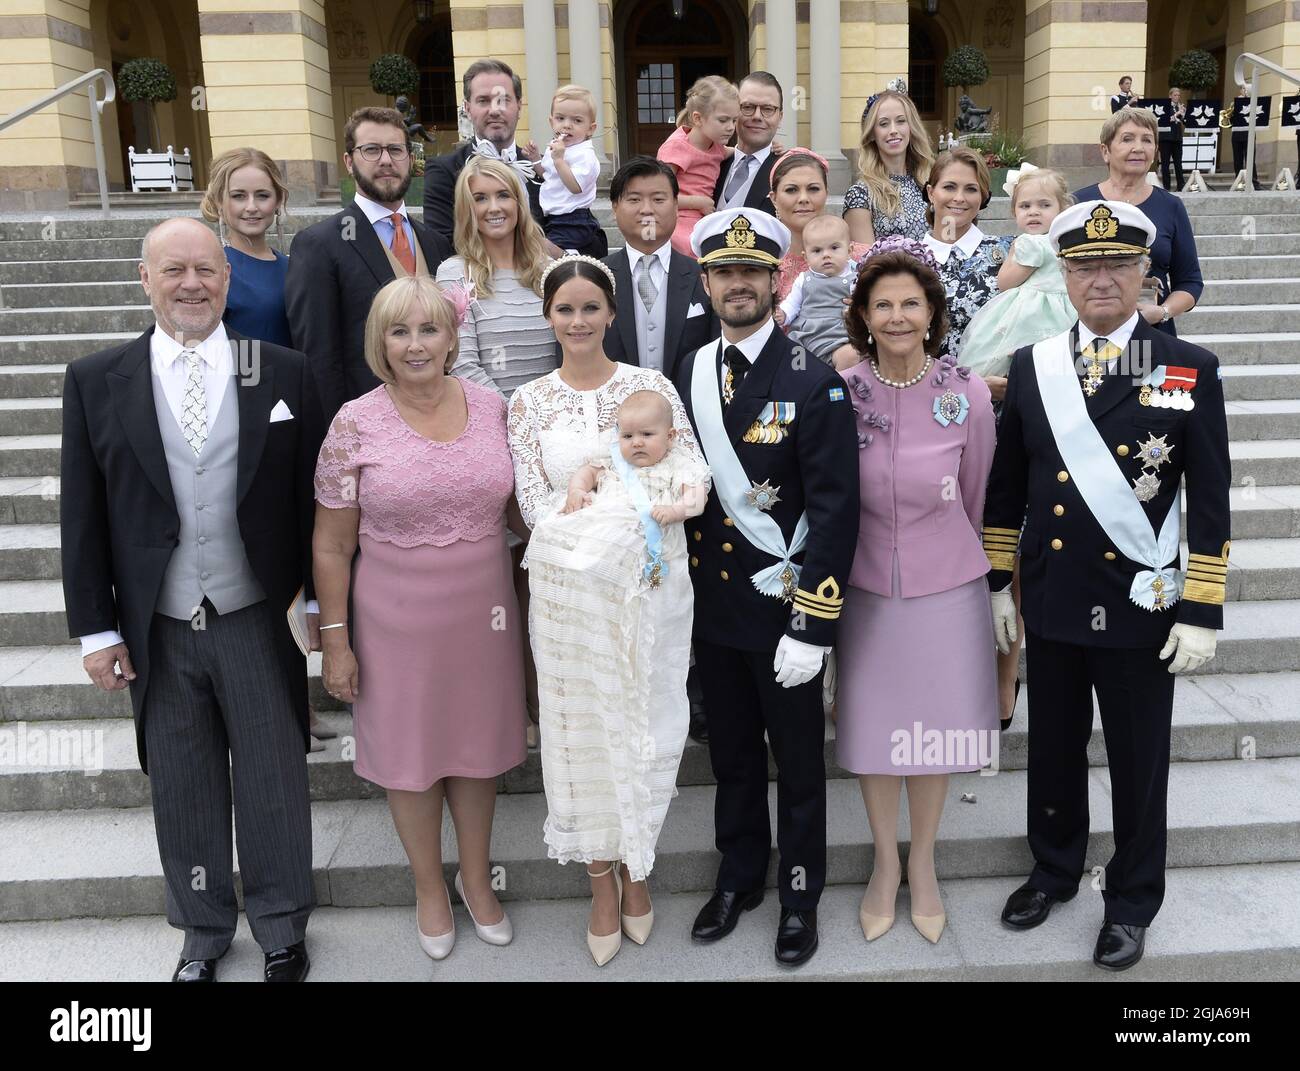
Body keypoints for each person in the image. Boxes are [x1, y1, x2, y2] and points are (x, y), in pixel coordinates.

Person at [61, 218, 324, 983]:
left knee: (274, 776)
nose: (191, 284)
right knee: (181, 780)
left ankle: (281, 926)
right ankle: (203, 931)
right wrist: (94, 631)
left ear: (228, 278)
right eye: (172, 269)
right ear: (145, 279)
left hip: (254, 612)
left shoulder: (279, 370)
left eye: (206, 269)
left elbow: (308, 501)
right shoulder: (94, 379)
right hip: (159, 623)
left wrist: (312, 604)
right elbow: (82, 517)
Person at [983, 200, 1231, 971]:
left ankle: (1130, 899)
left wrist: (1203, 606)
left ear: (1143, 273)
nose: (1100, 278)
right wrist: (997, 581)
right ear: (1065, 272)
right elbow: (1006, 488)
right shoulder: (1033, 366)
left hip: (1139, 605)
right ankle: (1054, 869)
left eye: (1116, 264)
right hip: (1055, 598)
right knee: (1053, 749)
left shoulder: (1187, 365)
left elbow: (1212, 496)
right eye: (1085, 265)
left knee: (1137, 760)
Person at [312, 275, 526, 962]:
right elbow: (331, 542)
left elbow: (525, 512)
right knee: (410, 756)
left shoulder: (494, 407)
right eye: (399, 331)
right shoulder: (355, 422)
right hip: (392, 621)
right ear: (379, 342)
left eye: (428, 329)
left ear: (451, 335)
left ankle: (476, 875)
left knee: (476, 749)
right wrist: (335, 641)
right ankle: (429, 885)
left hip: (484, 613)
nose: (415, 344)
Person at [507, 256, 708, 965]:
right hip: (567, 597)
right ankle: (599, 882)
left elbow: (690, 473)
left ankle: (640, 869)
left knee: (648, 720)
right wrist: (597, 532)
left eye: (592, 307)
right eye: (566, 309)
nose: (579, 320)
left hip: (650, 590)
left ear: (612, 313)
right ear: (548, 317)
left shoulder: (650, 387)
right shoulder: (528, 402)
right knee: (580, 731)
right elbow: (534, 506)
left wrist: (643, 521)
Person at [677, 210, 859, 968]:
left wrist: (812, 625)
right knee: (734, 759)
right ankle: (740, 873)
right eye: (724, 272)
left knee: (798, 760)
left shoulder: (812, 381)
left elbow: (836, 511)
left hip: (784, 610)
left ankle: (798, 890)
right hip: (714, 611)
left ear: (776, 278)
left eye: (752, 272)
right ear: (708, 281)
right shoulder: (685, 369)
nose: (738, 283)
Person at [834, 236, 998, 945]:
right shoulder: (842, 391)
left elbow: (977, 494)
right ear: (864, 316)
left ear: (933, 312)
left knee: (933, 734)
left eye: (911, 302)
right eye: (883, 304)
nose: (898, 316)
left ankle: (924, 863)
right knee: (874, 730)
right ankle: (883, 864)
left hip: (945, 588)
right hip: (866, 588)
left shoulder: (966, 393)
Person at [285, 106, 451, 422]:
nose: (386, 161)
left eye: (395, 150)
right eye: (371, 150)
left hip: (439, 418)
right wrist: (343, 435)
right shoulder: (319, 244)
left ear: (410, 159)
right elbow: (319, 357)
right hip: (368, 426)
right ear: (349, 161)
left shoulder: (436, 243)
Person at [1073, 107, 1203, 337]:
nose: (1138, 148)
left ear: (1155, 151)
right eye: (1127, 139)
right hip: (1088, 333)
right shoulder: (1078, 204)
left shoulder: (1171, 206)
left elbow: (1190, 283)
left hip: (1153, 334)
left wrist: (1162, 311)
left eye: (1147, 140)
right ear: (1106, 151)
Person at [434, 156, 556, 400]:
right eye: (480, 198)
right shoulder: (455, 274)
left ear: (518, 202)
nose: (494, 207)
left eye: (503, 195)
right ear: (466, 209)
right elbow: (462, 365)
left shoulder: (550, 270)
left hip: (556, 422)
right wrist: (518, 418)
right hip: (492, 423)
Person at [603, 156, 718, 381]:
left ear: (676, 206)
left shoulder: (704, 275)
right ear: (615, 207)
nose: (647, 210)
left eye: (658, 199)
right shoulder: (595, 277)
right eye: (634, 199)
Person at [423, 58, 548, 246]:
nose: (495, 111)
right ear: (467, 108)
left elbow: (584, 235)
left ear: (519, 106)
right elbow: (440, 244)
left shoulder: (546, 169)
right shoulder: (443, 171)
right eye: (483, 101)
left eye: (504, 100)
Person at [922, 147, 1012, 367]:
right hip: (921, 388)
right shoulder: (906, 257)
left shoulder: (1010, 252)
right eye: (949, 187)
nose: (959, 198)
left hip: (994, 390)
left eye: (971, 189)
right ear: (932, 193)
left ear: (983, 197)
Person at [201, 147, 293, 348]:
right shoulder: (210, 271)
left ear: (278, 201)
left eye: (262, 195)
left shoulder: (294, 267)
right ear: (219, 202)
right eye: (238, 196)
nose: (251, 207)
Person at [769, 148, 871, 301]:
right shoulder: (766, 265)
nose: (803, 198)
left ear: (826, 193)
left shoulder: (864, 259)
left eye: (813, 189)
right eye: (791, 190)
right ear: (774, 198)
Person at [657, 75, 739, 255]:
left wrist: (769, 147)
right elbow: (657, 196)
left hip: (704, 220)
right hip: (677, 220)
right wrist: (698, 202)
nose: (731, 127)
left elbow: (734, 151)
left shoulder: (717, 146)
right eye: (723, 120)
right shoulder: (676, 147)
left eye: (734, 120)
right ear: (698, 118)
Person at [843, 89, 933, 245]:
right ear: (872, 134)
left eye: (901, 121)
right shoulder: (860, 194)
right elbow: (865, 263)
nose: (893, 131)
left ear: (911, 127)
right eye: (884, 124)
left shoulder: (929, 184)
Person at [774, 214, 861, 369]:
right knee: (793, 364)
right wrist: (784, 314)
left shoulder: (855, 279)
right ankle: (801, 388)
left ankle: (839, 386)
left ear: (849, 251)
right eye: (817, 251)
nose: (826, 255)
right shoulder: (804, 279)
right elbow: (793, 304)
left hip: (839, 338)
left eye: (834, 248)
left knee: (851, 355)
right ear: (806, 257)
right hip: (805, 338)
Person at [532, 84, 607, 257]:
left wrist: (559, 160)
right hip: (553, 216)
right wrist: (535, 159)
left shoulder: (585, 155)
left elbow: (574, 186)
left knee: (545, 250)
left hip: (574, 219)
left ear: (591, 128)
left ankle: (571, 257)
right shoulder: (557, 148)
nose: (567, 125)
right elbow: (548, 176)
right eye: (560, 118)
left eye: (577, 120)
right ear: (551, 122)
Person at [713, 71, 783, 214]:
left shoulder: (787, 171)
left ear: (780, 117)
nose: (757, 116)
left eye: (768, 109)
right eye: (748, 107)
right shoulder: (712, 161)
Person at [1229, 84, 1263, 191]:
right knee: (1238, 160)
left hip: (1249, 133)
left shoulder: (1253, 102)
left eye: (1246, 89)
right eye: (1243, 89)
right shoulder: (1234, 103)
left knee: (1250, 160)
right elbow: (1230, 121)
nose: (1244, 91)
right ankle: (1239, 182)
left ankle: (1254, 182)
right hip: (1237, 134)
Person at [1157, 87, 1186, 192]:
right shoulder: (1165, 106)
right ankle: (1167, 187)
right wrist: (1176, 114)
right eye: (1175, 95)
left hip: (1177, 138)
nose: (1177, 97)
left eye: (1178, 95)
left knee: (1178, 163)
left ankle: (1181, 186)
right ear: (1170, 96)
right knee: (1165, 163)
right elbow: (1164, 120)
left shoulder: (1179, 107)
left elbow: (1184, 122)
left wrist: (1183, 114)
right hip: (1165, 138)